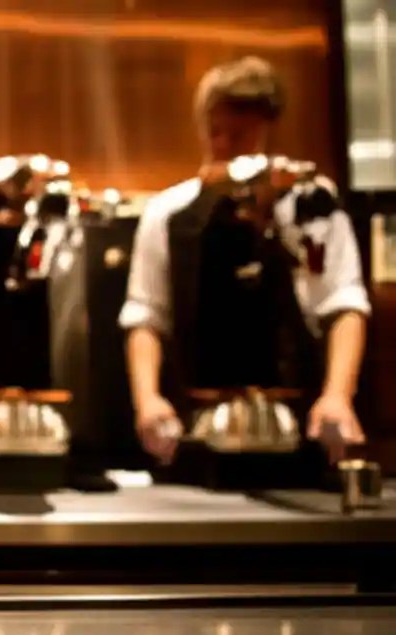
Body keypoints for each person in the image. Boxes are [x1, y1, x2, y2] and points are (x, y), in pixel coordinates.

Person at [120, 57, 371, 465]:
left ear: (268, 131)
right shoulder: (169, 214)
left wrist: (338, 396)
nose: (221, 146)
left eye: (237, 135)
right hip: (198, 431)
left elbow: (344, 305)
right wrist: (147, 401)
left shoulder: (310, 206)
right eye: (214, 132)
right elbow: (145, 316)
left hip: (297, 427)